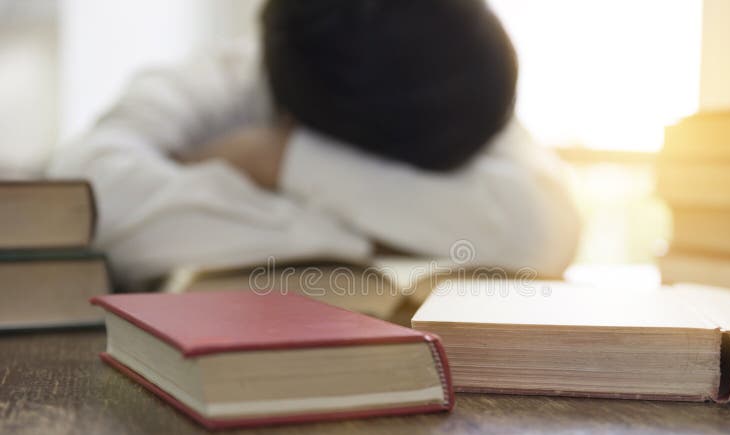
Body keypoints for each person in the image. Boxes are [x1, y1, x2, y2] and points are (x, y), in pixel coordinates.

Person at [48, 0, 580, 288]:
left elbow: (543, 231)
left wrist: (281, 163)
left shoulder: (455, 75)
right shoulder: (224, 81)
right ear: (292, 116)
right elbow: (83, 197)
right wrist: (372, 236)